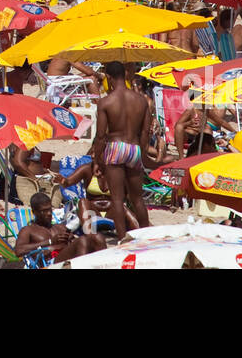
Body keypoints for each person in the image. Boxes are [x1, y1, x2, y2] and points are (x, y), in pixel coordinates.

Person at [91, 60, 152, 241]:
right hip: (134, 148)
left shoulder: (105, 102)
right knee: (138, 199)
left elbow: (101, 135)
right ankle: (145, 236)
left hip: (115, 146)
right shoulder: (141, 101)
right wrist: (142, 153)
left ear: (108, 77)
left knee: (117, 199)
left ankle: (122, 240)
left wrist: (97, 160)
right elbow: (145, 131)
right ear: (125, 75)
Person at [14, 191, 106, 265]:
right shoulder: (28, 230)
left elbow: (75, 244)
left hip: (69, 258)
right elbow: (18, 251)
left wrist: (71, 239)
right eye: (44, 211)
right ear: (34, 212)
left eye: (50, 209)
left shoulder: (60, 227)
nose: (49, 213)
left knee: (98, 237)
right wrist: (49, 242)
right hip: (50, 263)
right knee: (82, 241)